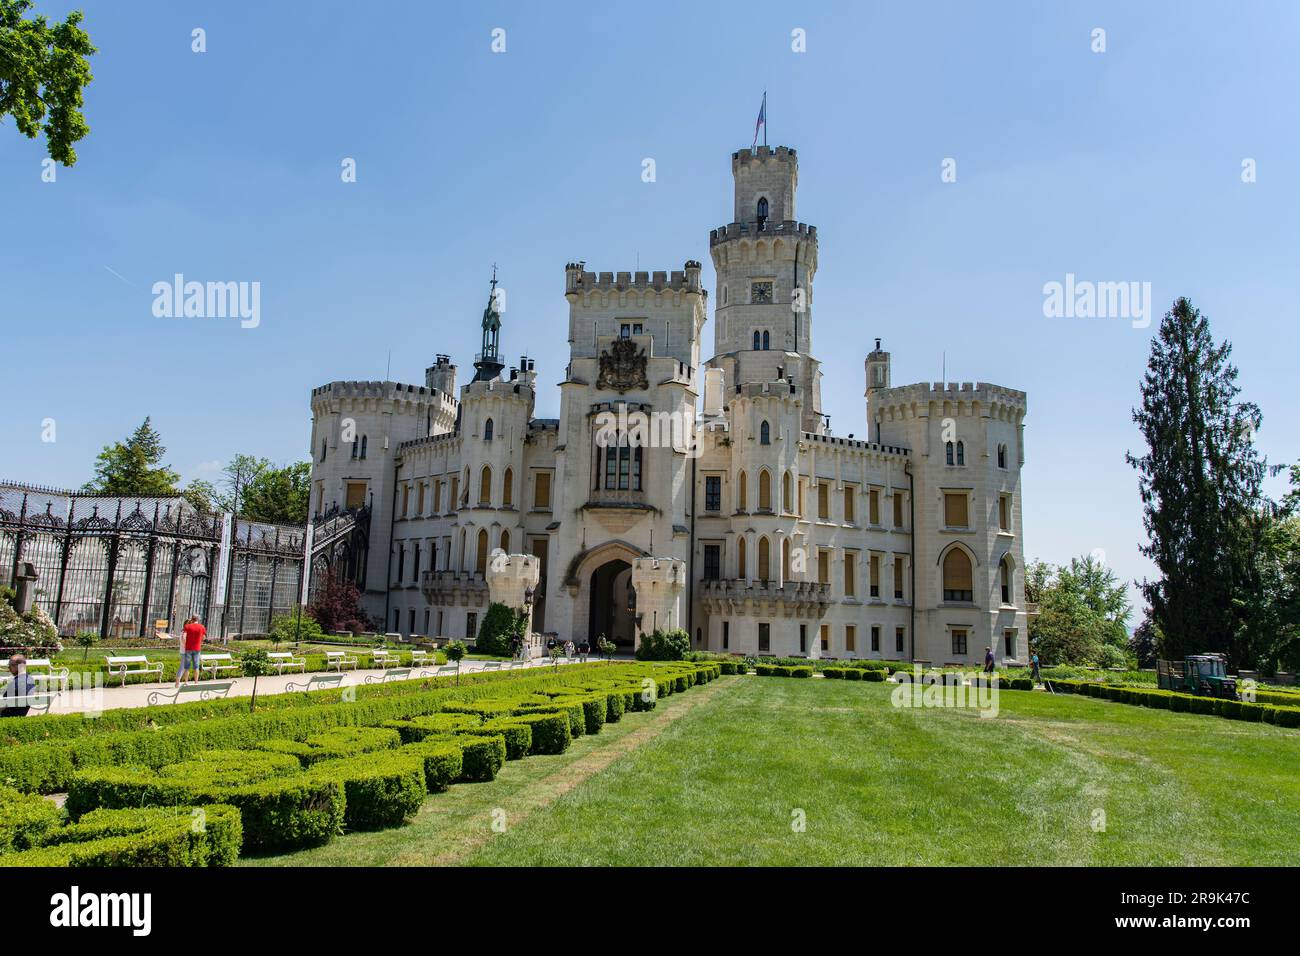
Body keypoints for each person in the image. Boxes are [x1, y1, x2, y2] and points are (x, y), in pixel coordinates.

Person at [176, 615, 206, 687]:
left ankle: (185, 682)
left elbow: (183, 638)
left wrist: (187, 644)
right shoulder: (200, 627)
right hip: (193, 649)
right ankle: (195, 682)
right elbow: (204, 637)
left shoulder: (187, 629)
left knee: (186, 667)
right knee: (193, 667)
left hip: (187, 649)